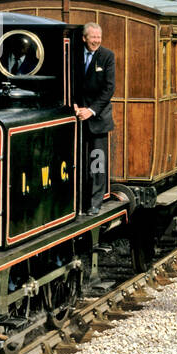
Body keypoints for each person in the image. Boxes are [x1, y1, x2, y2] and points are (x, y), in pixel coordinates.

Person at [73, 23, 115, 213]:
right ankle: (79, 201)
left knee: (97, 163)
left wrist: (91, 110)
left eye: (99, 38)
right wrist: (74, 104)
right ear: (84, 38)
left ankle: (95, 203)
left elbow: (109, 89)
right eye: (93, 38)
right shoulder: (74, 55)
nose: (96, 41)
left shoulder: (107, 56)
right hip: (78, 116)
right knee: (80, 162)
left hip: (98, 118)